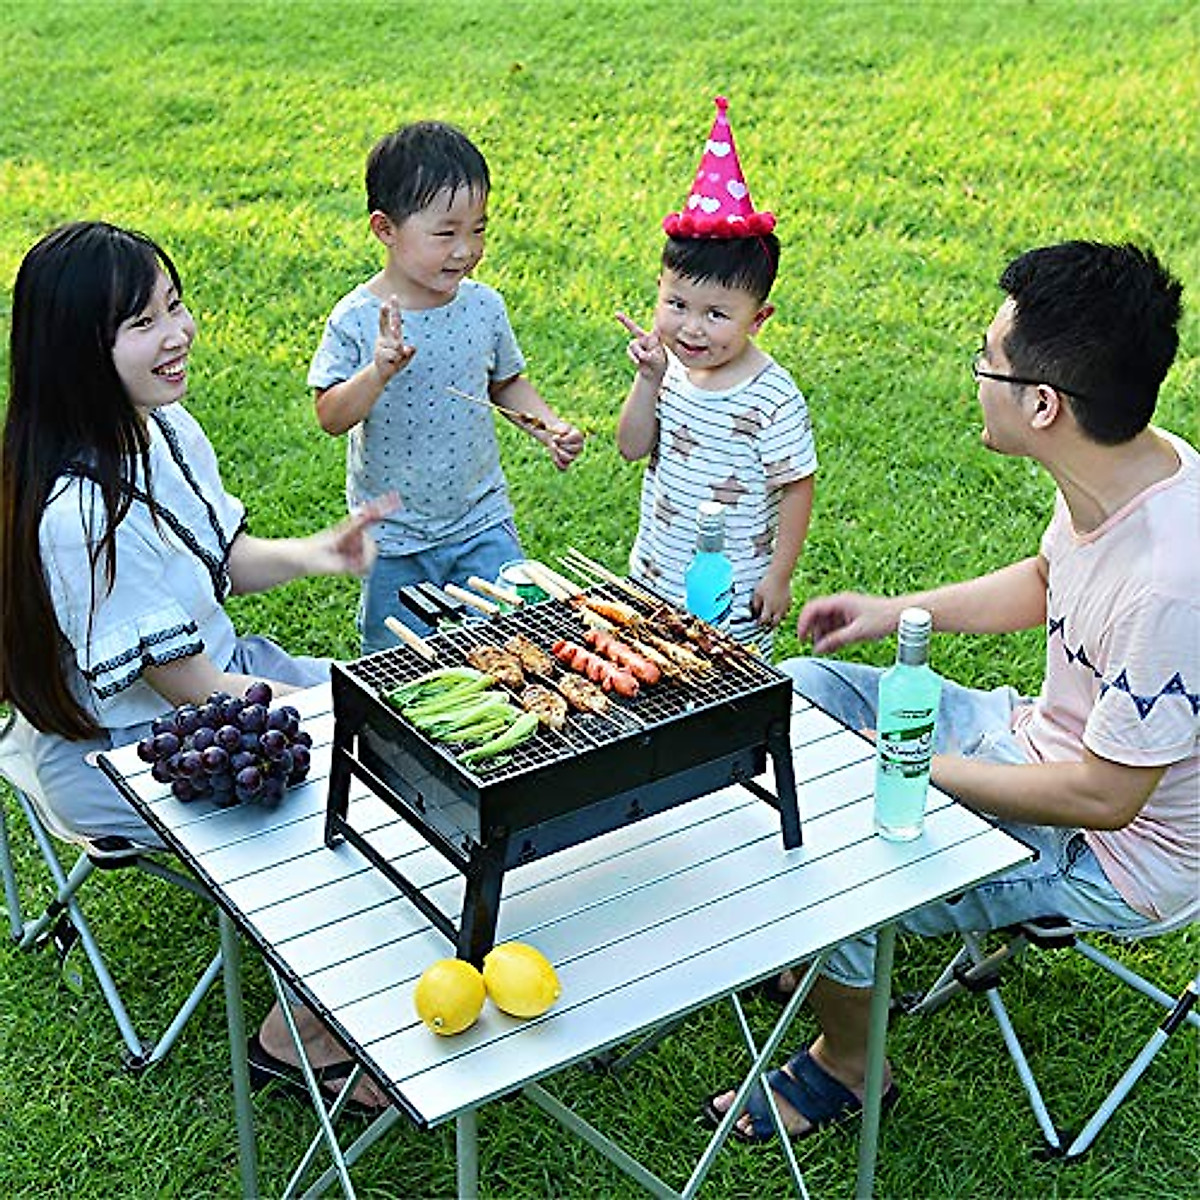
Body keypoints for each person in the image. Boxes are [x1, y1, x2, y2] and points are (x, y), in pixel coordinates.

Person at [704, 239, 1198, 1142]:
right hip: (1031, 739)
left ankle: (850, 1066)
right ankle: (822, 963)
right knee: (796, 691)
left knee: (835, 858)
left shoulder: (1171, 583)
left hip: (1108, 855)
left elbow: (1106, 797)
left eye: (987, 359)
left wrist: (908, 766)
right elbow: (1049, 579)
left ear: (1043, 405)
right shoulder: (1132, 463)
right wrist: (895, 613)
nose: (976, 374)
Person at [0, 220, 397, 1113]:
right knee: (359, 785)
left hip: (218, 683)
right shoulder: (76, 514)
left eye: (174, 306)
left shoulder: (162, 426)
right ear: (77, 351)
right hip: (124, 747)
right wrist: (333, 710)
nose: (177, 333)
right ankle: (296, 1036)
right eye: (143, 323)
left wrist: (318, 552)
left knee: (391, 747)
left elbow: (220, 559)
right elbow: (179, 688)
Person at [309, 120, 585, 654]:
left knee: (510, 643)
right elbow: (331, 416)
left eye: (478, 230)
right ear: (385, 229)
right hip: (395, 537)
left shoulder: (484, 307)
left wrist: (549, 427)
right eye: (446, 233)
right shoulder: (357, 318)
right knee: (399, 662)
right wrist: (377, 373)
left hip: (481, 520)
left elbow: (506, 382)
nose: (466, 249)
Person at [617, 97, 816, 652]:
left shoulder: (771, 398)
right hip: (653, 576)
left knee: (726, 685)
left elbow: (797, 485)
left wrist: (779, 576)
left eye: (717, 314)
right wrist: (648, 381)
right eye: (677, 304)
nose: (692, 329)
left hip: (733, 594)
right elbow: (631, 449)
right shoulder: (669, 369)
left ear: (759, 318)